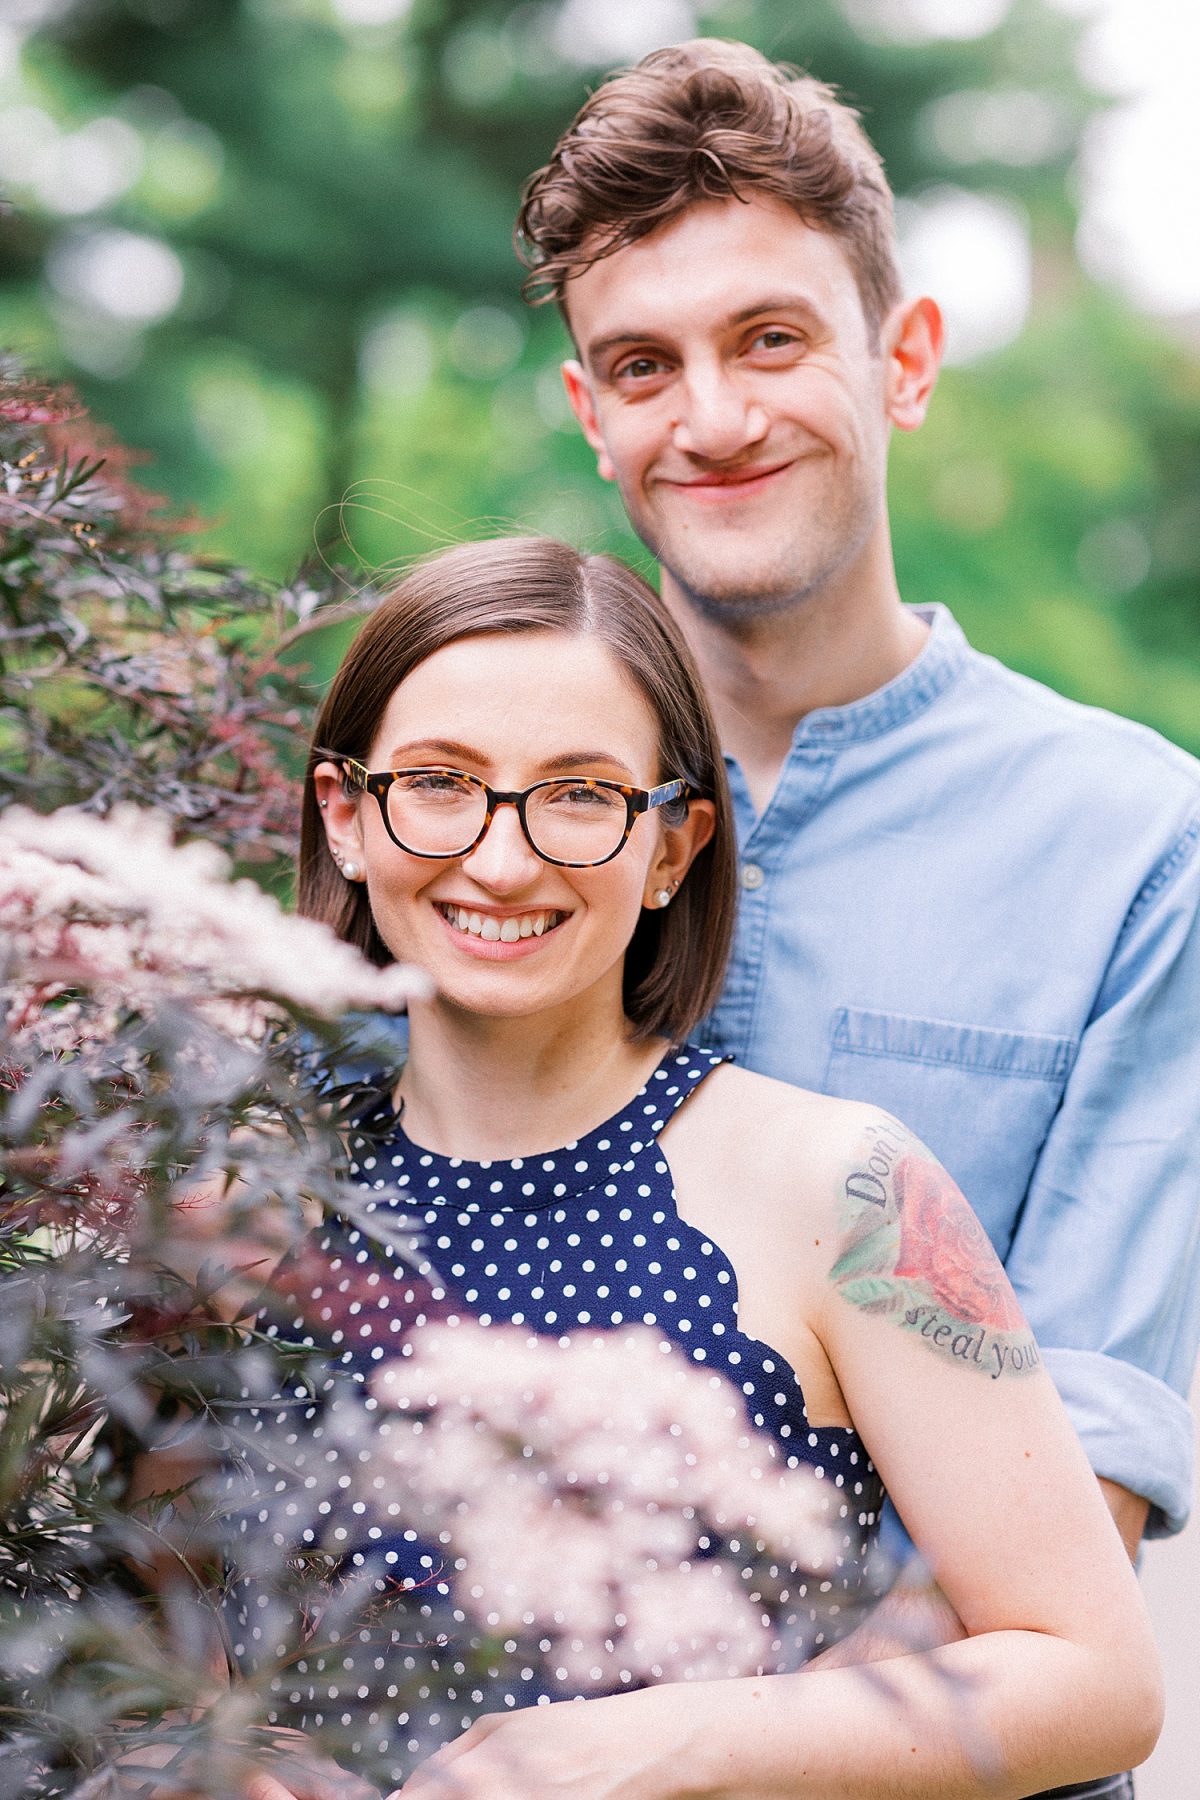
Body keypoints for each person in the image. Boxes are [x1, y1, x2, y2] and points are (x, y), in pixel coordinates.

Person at [514, 41, 1200, 1796]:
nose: (715, 419)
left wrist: (680, 1761)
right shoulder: (489, 832)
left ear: (902, 362)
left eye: (771, 340)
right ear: (592, 419)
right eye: (644, 366)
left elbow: (1078, 1499)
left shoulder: (1140, 846)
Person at [266, 531, 1160, 1799]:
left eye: (579, 793)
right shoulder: (235, 1197)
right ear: (347, 816)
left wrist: (669, 1748)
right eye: (439, 782)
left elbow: (1094, 1680)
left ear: (673, 848)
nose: (503, 858)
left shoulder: (841, 1188)